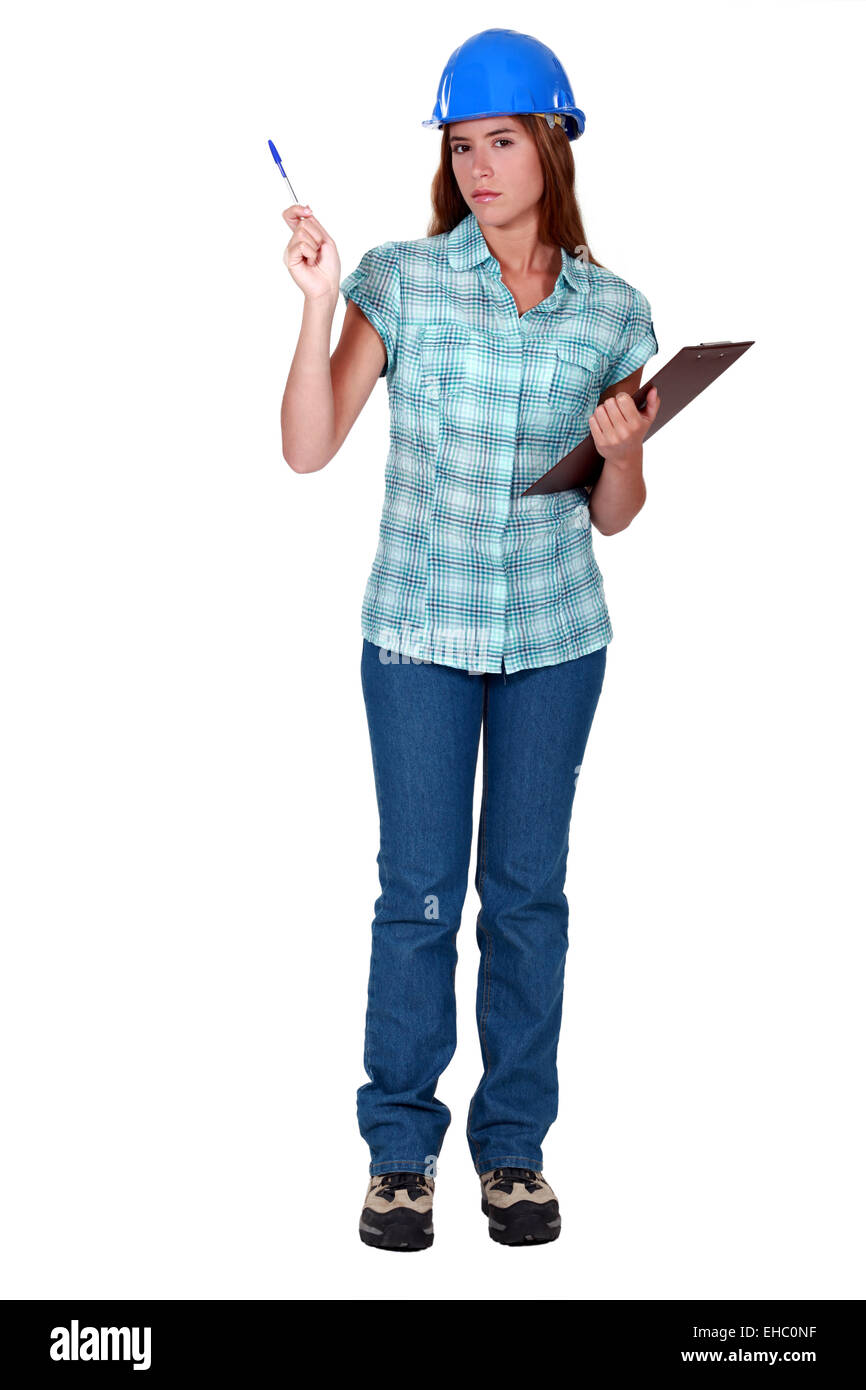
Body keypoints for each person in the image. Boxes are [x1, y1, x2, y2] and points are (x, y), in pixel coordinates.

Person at [279, 28, 660, 1251]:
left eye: (501, 139)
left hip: (556, 636)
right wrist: (313, 305)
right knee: (420, 892)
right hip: (418, 636)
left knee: (528, 895)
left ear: (550, 146)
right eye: (461, 143)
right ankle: (400, 1152)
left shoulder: (612, 307)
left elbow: (617, 516)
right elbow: (307, 443)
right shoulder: (401, 280)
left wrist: (623, 450)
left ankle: (512, 1151)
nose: (480, 164)